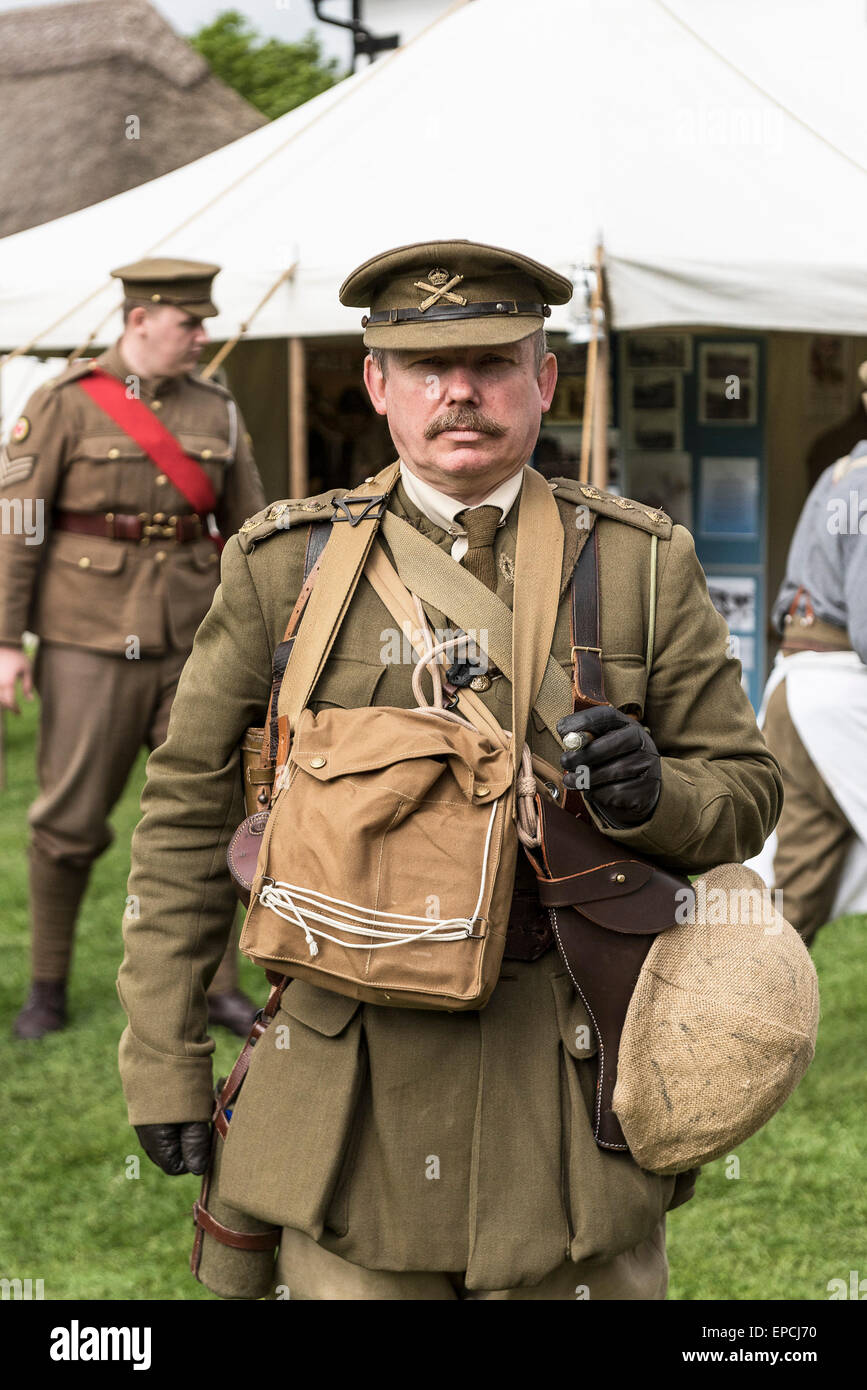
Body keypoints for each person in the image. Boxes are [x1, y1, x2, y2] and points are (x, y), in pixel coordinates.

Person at [118, 240, 781, 1300]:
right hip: (351, 1086)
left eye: (492, 362)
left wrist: (659, 797)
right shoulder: (284, 566)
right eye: (426, 368)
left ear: (545, 379)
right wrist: (163, 1056)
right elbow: (187, 820)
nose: (459, 392)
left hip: (566, 1080)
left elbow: (745, 793)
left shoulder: (641, 564)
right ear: (377, 383)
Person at [0, 257, 266, 1040]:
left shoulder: (216, 409)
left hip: (194, 646)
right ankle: (47, 986)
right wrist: (5, 641)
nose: (203, 336)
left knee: (210, 814)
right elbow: (18, 527)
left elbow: (250, 532)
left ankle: (217, 986)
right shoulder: (62, 405)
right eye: (190, 323)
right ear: (141, 319)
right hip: (87, 641)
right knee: (70, 821)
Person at [746, 438, 867, 946]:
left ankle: (740, 1016)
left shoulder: (847, 470)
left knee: (791, 895)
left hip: (800, 687)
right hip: (837, 691)